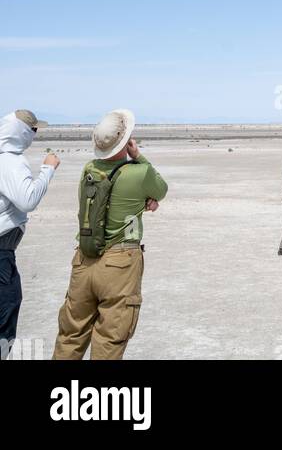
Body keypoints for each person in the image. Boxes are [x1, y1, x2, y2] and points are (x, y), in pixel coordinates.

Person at [53, 108, 167, 361]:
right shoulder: (139, 172)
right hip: (120, 264)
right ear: (126, 141)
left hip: (84, 259)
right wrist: (138, 157)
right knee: (109, 339)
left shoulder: (88, 169)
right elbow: (160, 189)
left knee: (70, 335)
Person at [0, 109, 60, 359]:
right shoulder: (9, 161)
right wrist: (48, 170)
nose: (35, 136)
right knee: (6, 310)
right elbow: (27, 200)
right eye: (33, 130)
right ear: (22, 132)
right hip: (2, 253)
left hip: (5, 252)